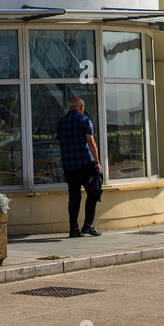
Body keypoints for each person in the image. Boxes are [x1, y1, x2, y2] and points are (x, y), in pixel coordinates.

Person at [57, 96, 103, 237]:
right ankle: (88, 225)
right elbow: (91, 141)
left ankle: (73, 229)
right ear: (81, 108)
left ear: (70, 107)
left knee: (74, 198)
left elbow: (61, 142)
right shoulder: (84, 120)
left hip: (69, 166)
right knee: (94, 193)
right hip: (85, 164)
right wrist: (97, 162)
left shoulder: (62, 122)